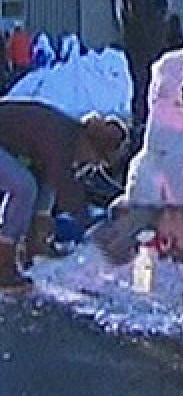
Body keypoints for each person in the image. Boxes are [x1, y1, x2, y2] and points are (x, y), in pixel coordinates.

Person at [0, 102, 128, 291]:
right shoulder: (61, 140)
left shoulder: (69, 135)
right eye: (96, 160)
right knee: (24, 187)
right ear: (90, 145)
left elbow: (49, 186)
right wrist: (98, 231)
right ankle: (3, 260)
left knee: (37, 187)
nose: (90, 165)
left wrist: (41, 223)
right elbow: (70, 196)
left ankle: (24, 249)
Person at [120, 0, 170, 129]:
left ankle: (147, 121)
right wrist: (151, 40)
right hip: (142, 46)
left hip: (151, 44)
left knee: (150, 86)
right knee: (143, 86)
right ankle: (141, 126)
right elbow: (140, 16)